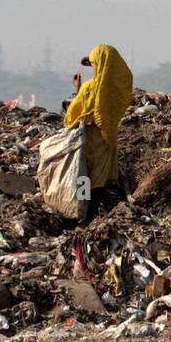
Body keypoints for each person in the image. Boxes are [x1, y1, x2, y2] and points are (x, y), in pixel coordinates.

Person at [64, 44, 133, 218]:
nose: (92, 66)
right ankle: (93, 215)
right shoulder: (117, 90)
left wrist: (77, 91)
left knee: (84, 179)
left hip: (88, 142)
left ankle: (83, 217)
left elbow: (73, 115)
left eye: (93, 63)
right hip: (106, 141)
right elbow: (101, 106)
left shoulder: (89, 87)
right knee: (99, 181)